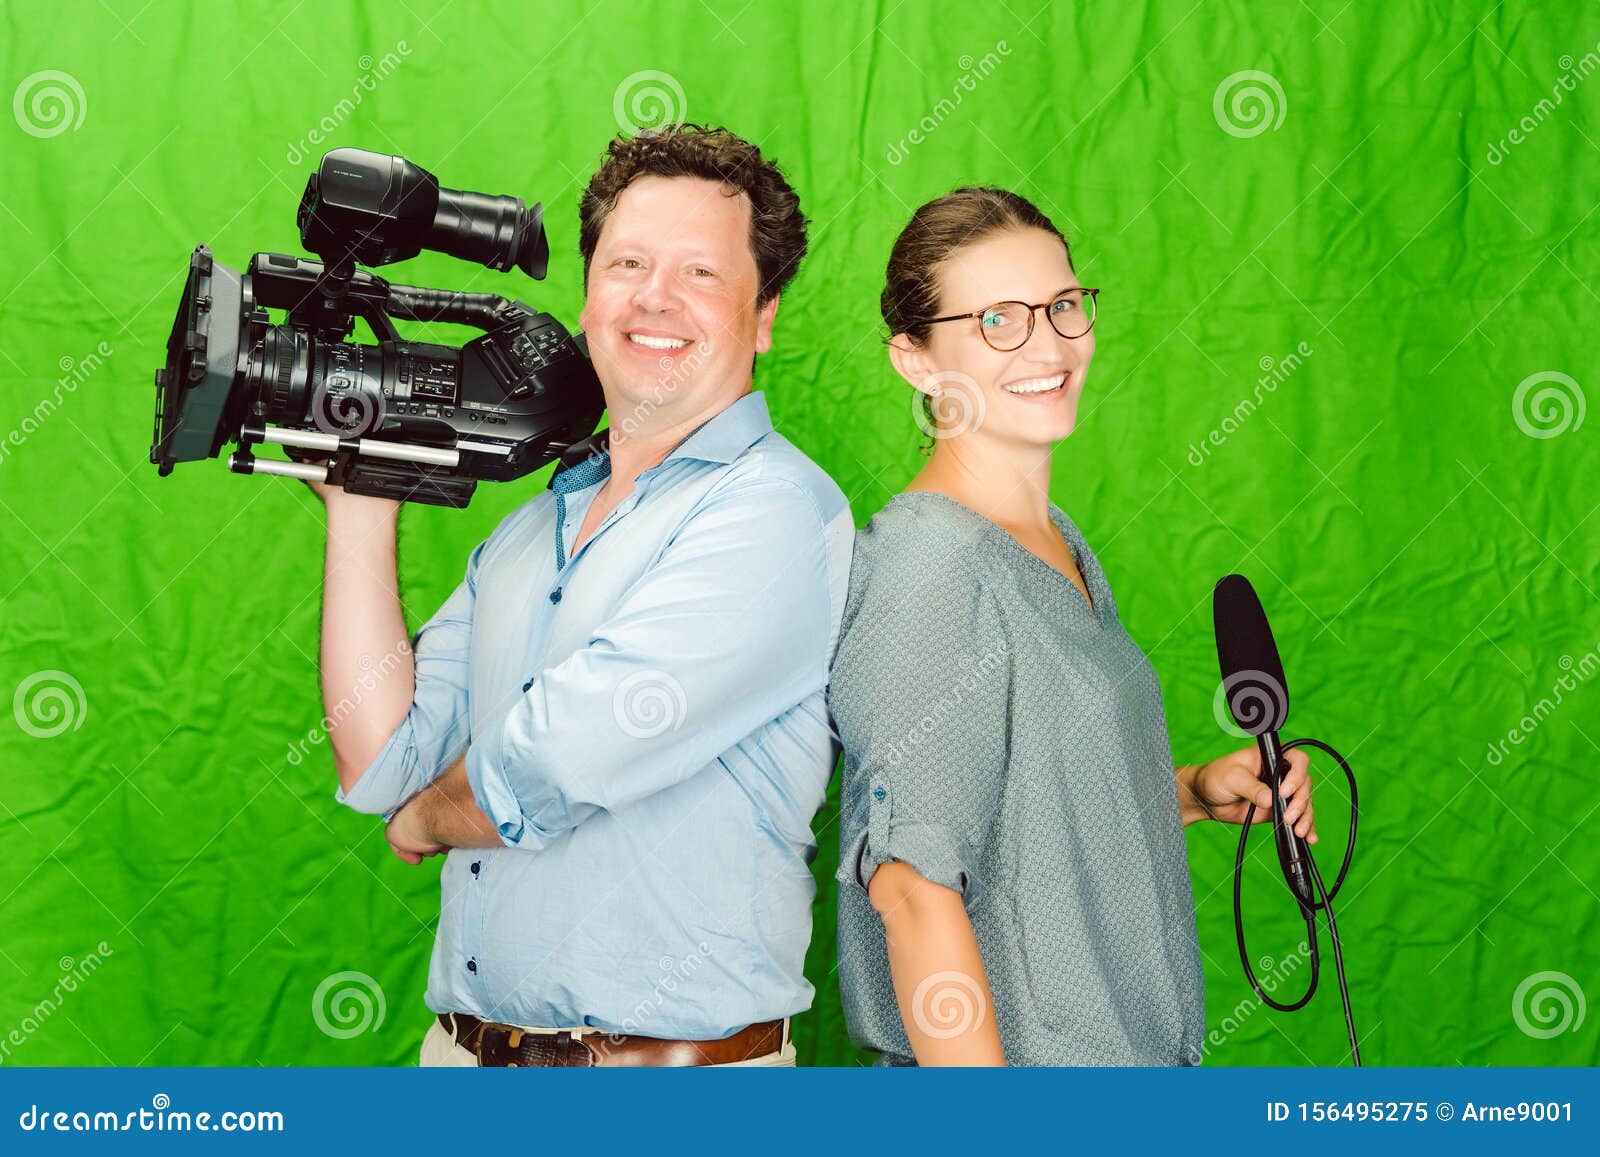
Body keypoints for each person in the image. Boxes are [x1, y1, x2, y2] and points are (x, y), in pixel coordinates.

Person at [310, 124, 853, 1067]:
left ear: (763, 316)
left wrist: (428, 819)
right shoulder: (529, 533)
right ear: (589, 296)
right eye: (628, 263)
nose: (655, 296)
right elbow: (381, 761)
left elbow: (557, 761)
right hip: (461, 1059)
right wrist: (361, 509)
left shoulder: (777, 511)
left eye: (700, 272)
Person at [828, 186, 1319, 1066]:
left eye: (1062, 304)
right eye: (998, 320)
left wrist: (1193, 790)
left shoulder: (1057, 540)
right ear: (915, 358)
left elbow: (1029, 807)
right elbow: (911, 890)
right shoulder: (928, 568)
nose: (1049, 345)